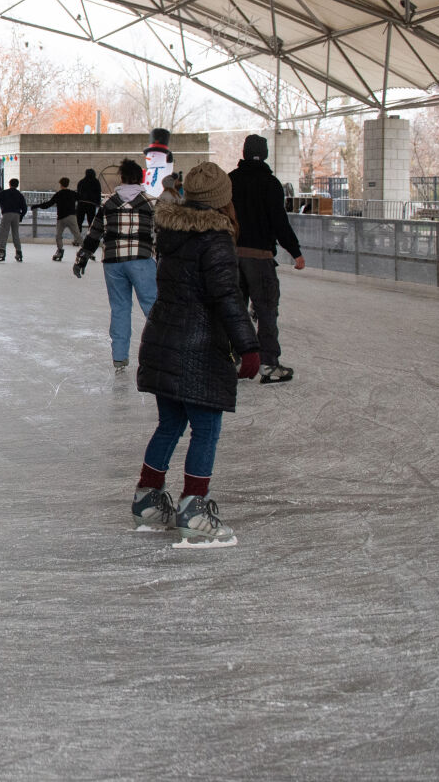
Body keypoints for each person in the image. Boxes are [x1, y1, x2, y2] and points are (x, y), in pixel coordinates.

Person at [131, 162, 261, 548]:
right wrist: (249, 346)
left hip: (164, 338)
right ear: (222, 199)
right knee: (206, 429)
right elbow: (227, 296)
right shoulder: (215, 238)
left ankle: (147, 499)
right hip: (198, 347)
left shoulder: (172, 231)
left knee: (170, 424)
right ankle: (193, 508)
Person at [228, 134, 307, 383]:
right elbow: (278, 221)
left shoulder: (230, 181)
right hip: (260, 257)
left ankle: (235, 360)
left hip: (232, 255)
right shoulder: (271, 184)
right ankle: (268, 363)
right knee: (266, 310)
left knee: (235, 310)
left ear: (244, 153)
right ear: (265, 154)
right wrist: (295, 252)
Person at [74, 159, 158, 373]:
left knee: (120, 307)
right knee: (153, 307)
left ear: (121, 178)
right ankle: (161, 352)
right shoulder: (151, 203)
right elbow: (161, 234)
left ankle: (119, 357)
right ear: (141, 178)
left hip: (113, 262)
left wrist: (83, 256)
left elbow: (94, 232)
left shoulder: (108, 203)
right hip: (141, 259)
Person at [33, 176, 82, 261]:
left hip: (61, 218)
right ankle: (86, 250)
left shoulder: (58, 194)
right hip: (71, 217)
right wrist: (77, 210)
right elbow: (82, 199)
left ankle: (60, 250)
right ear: (68, 184)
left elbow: (48, 204)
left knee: (58, 235)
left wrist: (37, 206)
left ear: (60, 184)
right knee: (77, 234)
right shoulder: (73, 193)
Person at [0, 177, 27, 262]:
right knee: (15, 234)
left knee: (4, 233)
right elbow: (24, 208)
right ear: (17, 185)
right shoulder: (19, 194)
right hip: (16, 215)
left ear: (9, 184)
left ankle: (1, 251)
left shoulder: (5, 193)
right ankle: (18, 252)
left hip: (7, 214)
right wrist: (21, 216)